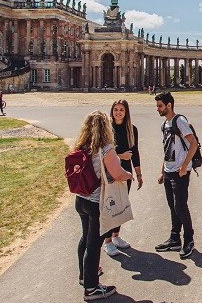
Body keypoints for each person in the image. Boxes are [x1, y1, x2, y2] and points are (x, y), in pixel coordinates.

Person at [73, 111, 132, 300]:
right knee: (93, 245)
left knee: (85, 238)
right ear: (106, 127)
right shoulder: (106, 148)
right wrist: (129, 175)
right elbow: (118, 174)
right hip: (95, 203)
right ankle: (91, 289)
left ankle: (84, 275)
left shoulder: (81, 145)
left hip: (80, 199)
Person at [154, 91, 197, 258]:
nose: (157, 109)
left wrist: (184, 166)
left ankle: (189, 240)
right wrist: (162, 171)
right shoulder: (165, 124)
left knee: (181, 207)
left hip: (180, 172)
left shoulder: (180, 121)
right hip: (169, 171)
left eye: (160, 106)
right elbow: (167, 149)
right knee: (173, 207)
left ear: (169, 105)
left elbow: (194, 144)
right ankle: (174, 239)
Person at [104, 99, 143, 256]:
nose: (118, 112)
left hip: (126, 172)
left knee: (121, 205)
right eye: (115, 109)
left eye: (121, 110)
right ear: (112, 111)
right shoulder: (107, 128)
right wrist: (120, 155)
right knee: (110, 205)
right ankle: (107, 242)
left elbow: (135, 153)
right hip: (110, 172)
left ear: (126, 112)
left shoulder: (132, 129)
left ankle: (116, 237)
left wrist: (139, 174)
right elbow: (103, 152)